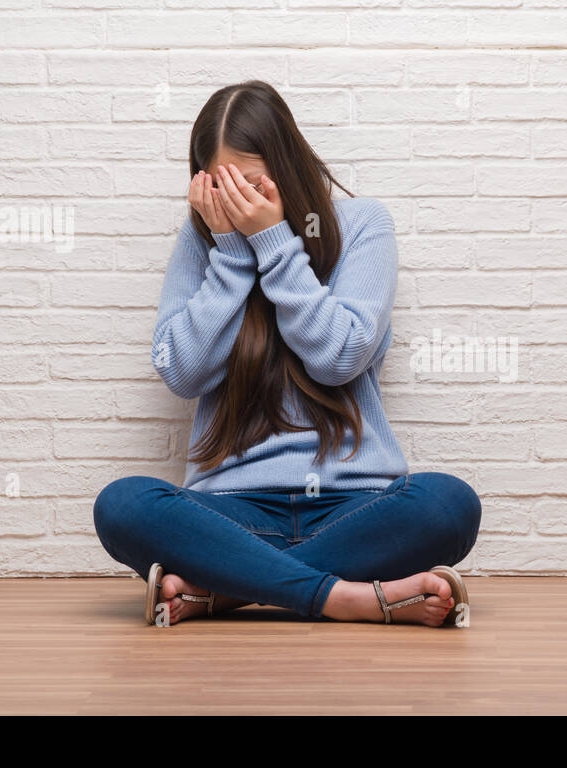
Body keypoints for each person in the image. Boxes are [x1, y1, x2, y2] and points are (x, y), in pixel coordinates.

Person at [92, 81, 481, 628]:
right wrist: (230, 254)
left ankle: (226, 591)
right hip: (233, 512)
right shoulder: (203, 239)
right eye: (221, 186)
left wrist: (274, 243)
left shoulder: (363, 224)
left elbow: (338, 359)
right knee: (123, 504)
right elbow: (182, 371)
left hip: (355, 507)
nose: (237, 201)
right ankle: (349, 598)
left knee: (447, 504)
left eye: (249, 184)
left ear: (286, 165)